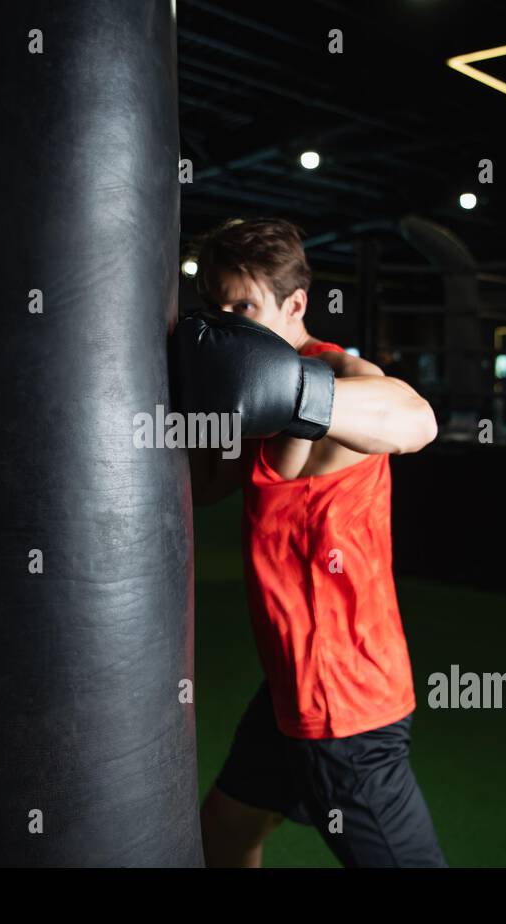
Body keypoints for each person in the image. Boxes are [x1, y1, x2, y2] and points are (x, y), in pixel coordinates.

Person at [174, 217, 445, 868]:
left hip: (343, 699)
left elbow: (417, 419)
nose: (229, 321)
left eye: (245, 306)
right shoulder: (246, 393)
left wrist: (300, 394)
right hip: (289, 690)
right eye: (218, 307)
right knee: (225, 833)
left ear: (295, 304)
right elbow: (211, 481)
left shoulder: (341, 375)